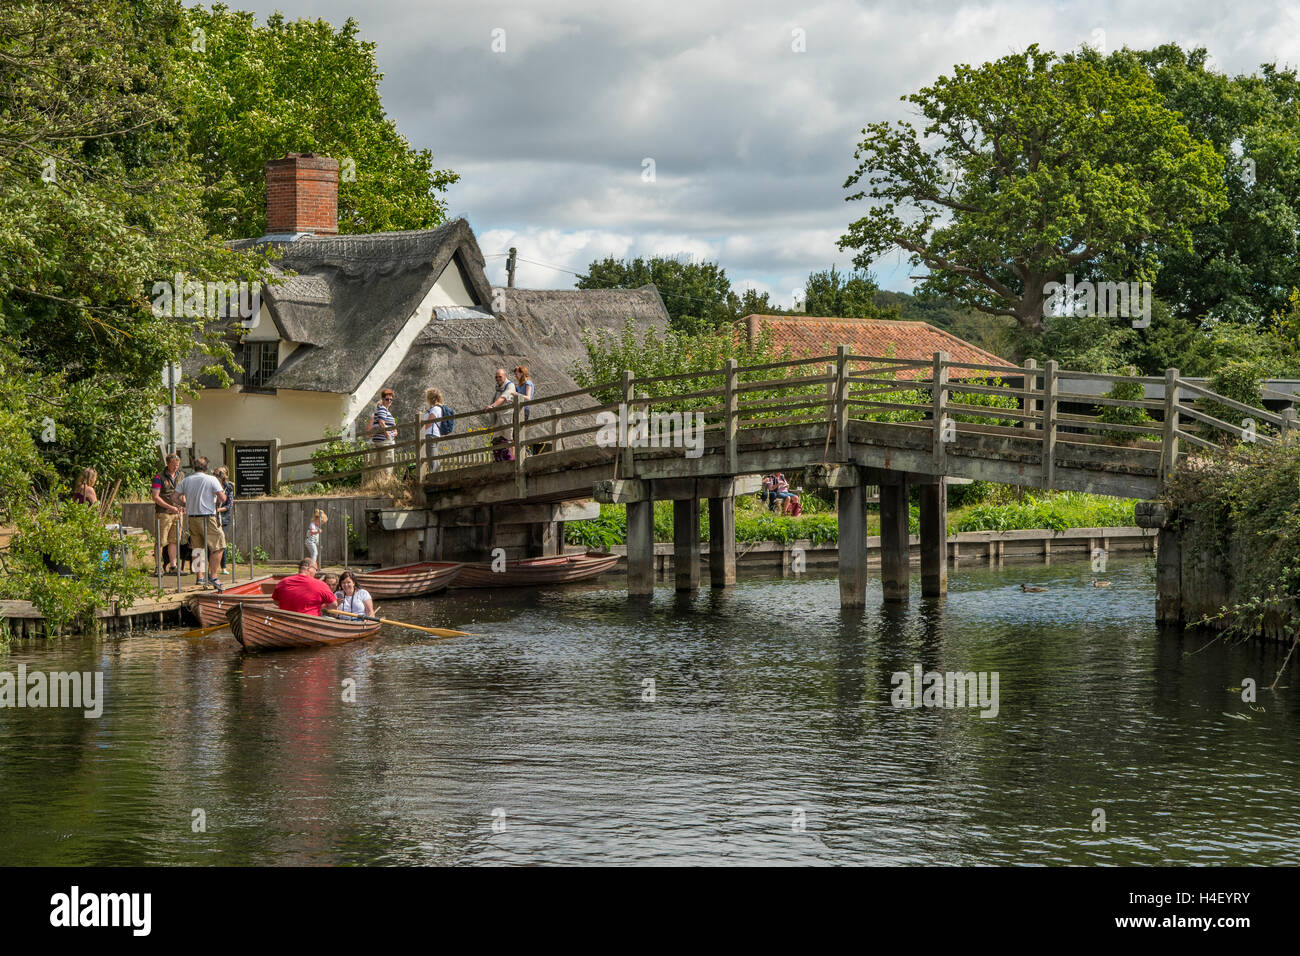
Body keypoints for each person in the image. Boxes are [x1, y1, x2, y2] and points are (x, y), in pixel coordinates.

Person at [175, 456, 227, 591]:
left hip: (192, 517)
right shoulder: (211, 479)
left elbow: (174, 497)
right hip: (207, 517)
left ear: (194, 467)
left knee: (197, 548)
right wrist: (216, 501)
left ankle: (199, 577)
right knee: (219, 545)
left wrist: (186, 504)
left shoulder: (187, 480)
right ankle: (213, 575)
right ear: (206, 468)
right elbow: (222, 498)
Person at [151, 454, 184, 574]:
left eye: (177, 465)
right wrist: (170, 507)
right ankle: (158, 567)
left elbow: (182, 492)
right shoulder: (158, 477)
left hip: (178, 513)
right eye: (174, 465)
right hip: (163, 513)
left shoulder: (181, 475)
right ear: (168, 464)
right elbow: (155, 497)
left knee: (174, 540)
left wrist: (183, 505)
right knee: (160, 540)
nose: (176, 467)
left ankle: (173, 566)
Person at [272, 559, 338, 616]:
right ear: (310, 568)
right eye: (316, 570)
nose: (316, 572)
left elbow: (275, 602)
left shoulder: (283, 581)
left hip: (286, 621)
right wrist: (322, 607)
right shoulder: (320, 584)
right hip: (310, 623)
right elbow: (334, 605)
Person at [485, 368, 518, 462]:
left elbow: (503, 398)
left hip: (507, 417)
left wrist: (492, 406)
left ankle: (513, 460)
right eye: (496, 377)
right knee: (496, 439)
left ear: (505, 376)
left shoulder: (510, 386)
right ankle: (499, 459)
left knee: (509, 438)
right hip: (499, 418)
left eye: (500, 376)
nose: (498, 378)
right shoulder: (498, 388)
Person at [366, 387, 398, 479]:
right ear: (383, 399)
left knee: (379, 468)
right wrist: (388, 435)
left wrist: (391, 433)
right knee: (387, 467)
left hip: (380, 441)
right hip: (385, 442)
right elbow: (381, 422)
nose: (389, 401)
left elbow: (393, 428)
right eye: (387, 399)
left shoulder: (384, 410)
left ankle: (378, 486)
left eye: (391, 399)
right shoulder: (382, 409)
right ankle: (385, 487)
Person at [214, 466, 234, 575]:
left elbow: (230, 505)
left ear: (224, 475)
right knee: (211, 543)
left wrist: (218, 510)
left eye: (218, 474)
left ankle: (223, 567)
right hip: (211, 517)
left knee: (222, 542)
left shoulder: (229, 487)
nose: (215, 476)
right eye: (214, 474)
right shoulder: (211, 484)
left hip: (223, 518)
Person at [423, 387, 447, 473]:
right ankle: (435, 473)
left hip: (431, 434)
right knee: (433, 455)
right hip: (434, 434)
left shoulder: (435, 409)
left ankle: (434, 474)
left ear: (430, 398)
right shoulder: (437, 408)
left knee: (431, 456)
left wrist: (421, 430)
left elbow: (429, 423)